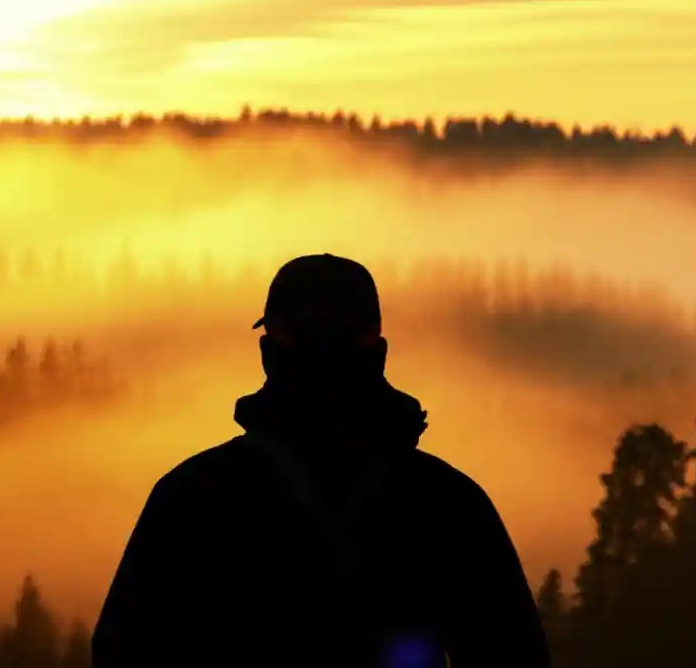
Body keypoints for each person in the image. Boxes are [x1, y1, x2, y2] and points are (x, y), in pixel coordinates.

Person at [92, 254, 549, 667]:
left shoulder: (194, 494)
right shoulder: (447, 503)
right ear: (378, 353)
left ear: (268, 353)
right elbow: (516, 658)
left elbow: (122, 652)